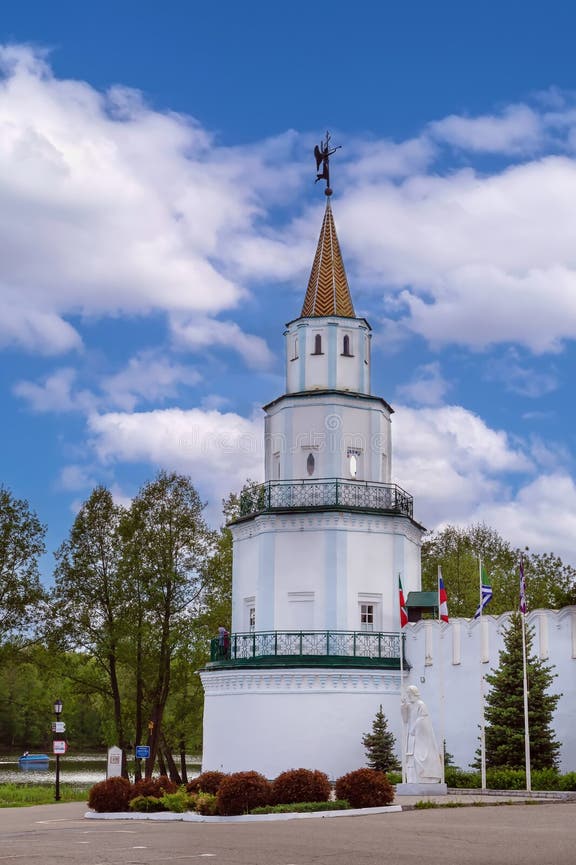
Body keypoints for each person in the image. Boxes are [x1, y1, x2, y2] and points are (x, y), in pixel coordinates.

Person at [400, 685, 442, 783]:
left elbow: (423, 718)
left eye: (409, 693)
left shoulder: (421, 704)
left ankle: (424, 777)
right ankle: (412, 779)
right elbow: (405, 719)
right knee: (410, 756)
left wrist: (415, 728)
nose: (408, 695)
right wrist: (403, 707)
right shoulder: (409, 705)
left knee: (419, 757)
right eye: (407, 693)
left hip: (420, 736)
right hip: (411, 736)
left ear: (414, 693)